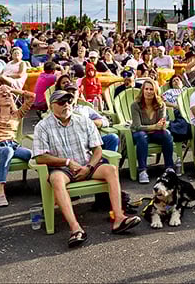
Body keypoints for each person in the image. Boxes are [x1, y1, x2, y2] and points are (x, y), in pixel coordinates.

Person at [33, 89, 141, 247]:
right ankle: (75, 228)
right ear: (51, 106)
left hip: (87, 164)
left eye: (69, 101)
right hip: (64, 168)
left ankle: (119, 218)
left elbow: (97, 149)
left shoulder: (83, 121)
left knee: (111, 169)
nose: (66, 105)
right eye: (61, 102)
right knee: (55, 179)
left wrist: (89, 167)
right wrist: (67, 162)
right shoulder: (43, 126)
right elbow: (40, 157)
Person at [130, 79, 174, 184]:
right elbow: (137, 126)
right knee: (141, 136)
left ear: (155, 91)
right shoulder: (135, 105)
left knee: (167, 135)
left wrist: (161, 126)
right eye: (146, 89)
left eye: (151, 89)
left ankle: (169, 168)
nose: (149, 92)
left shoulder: (161, 105)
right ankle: (142, 171)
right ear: (143, 90)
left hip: (155, 133)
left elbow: (161, 124)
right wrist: (154, 127)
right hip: (139, 133)